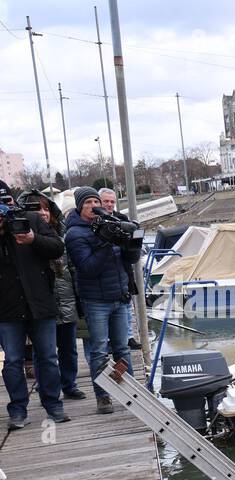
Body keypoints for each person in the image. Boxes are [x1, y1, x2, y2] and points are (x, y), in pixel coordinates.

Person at [0, 182, 69, 430]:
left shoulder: (31, 218)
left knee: (49, 357)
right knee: (12, 361)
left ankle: (54, 405)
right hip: (7, 308)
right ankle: (18, 409)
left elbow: (57, 247)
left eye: (7, 202)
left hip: (39, 303)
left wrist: (32, 238)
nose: (6, 209)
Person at [64, 186, 139, 414]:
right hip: (96, 301)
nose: (94, 206)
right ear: (79, 207)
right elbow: (87, 268)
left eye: (95, 201)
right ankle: (103, 396)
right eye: (87, 203)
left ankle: (131, 393)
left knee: (122, 349)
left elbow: (130, 259)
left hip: (119, 295)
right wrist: (106, 241)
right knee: (98, 351)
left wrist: (131, 240)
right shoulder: (75, 234)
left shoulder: (110, 223)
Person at [24, 192, 83, 401]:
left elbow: (73, 269)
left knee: (69, 348)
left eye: (46, 208)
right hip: (41, 304)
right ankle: (45, 387)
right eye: (37, 209)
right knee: (44, 352)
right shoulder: (23, 239)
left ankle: (69, 384)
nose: (42, 213)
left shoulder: (61, 235)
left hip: (65, 299)